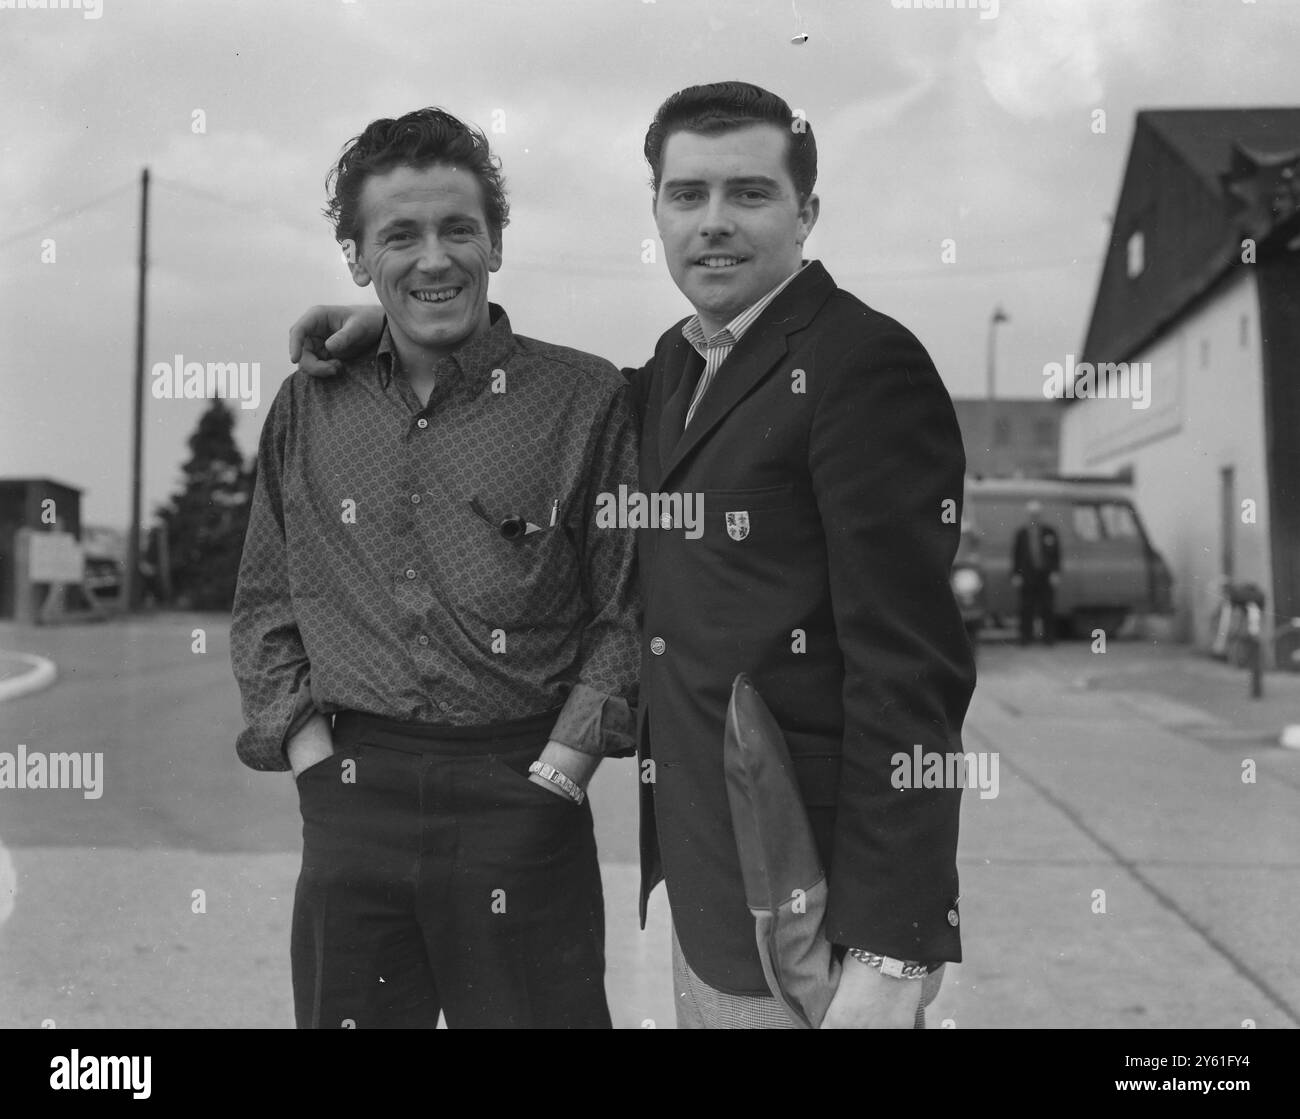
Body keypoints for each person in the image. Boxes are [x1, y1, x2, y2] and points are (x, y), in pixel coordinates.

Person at [288, 82, 976, 1029]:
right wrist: (401, 326)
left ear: (807, 211)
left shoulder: (865, 366)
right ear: (657, 210)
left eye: (750, 194)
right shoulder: (682, 368)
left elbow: (913, 673)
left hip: (810, 898)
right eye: (687, 195)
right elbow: (537, 400)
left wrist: (896, 951)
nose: (715, 224)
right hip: (710, 885)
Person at [231, 107, 640, 1029]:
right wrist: (313, 766)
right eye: (399, 236)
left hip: (524, 790)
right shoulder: (308, 408)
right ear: (354, 256)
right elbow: (263, 605)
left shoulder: (585, 399)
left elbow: (626, 611)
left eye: (459, 228)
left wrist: (561, 775)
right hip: (353, 794)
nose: (434, 258)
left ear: (496, 239)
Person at [1011, 499, 1061, 646]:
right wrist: (1016, 574)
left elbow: (1057, 554)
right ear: (1028, 515)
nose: (1035, 517)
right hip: (1027, 575)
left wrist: (1055, 573)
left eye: (1037, 514)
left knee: (1047, 607)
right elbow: (1016, 555)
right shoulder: (1021, 533)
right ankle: (1025, 638)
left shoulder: (1049, 532)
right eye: (1032, 514)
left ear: (1041, 515)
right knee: (1026, 608)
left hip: (1045, 575)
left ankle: (1049, 638)